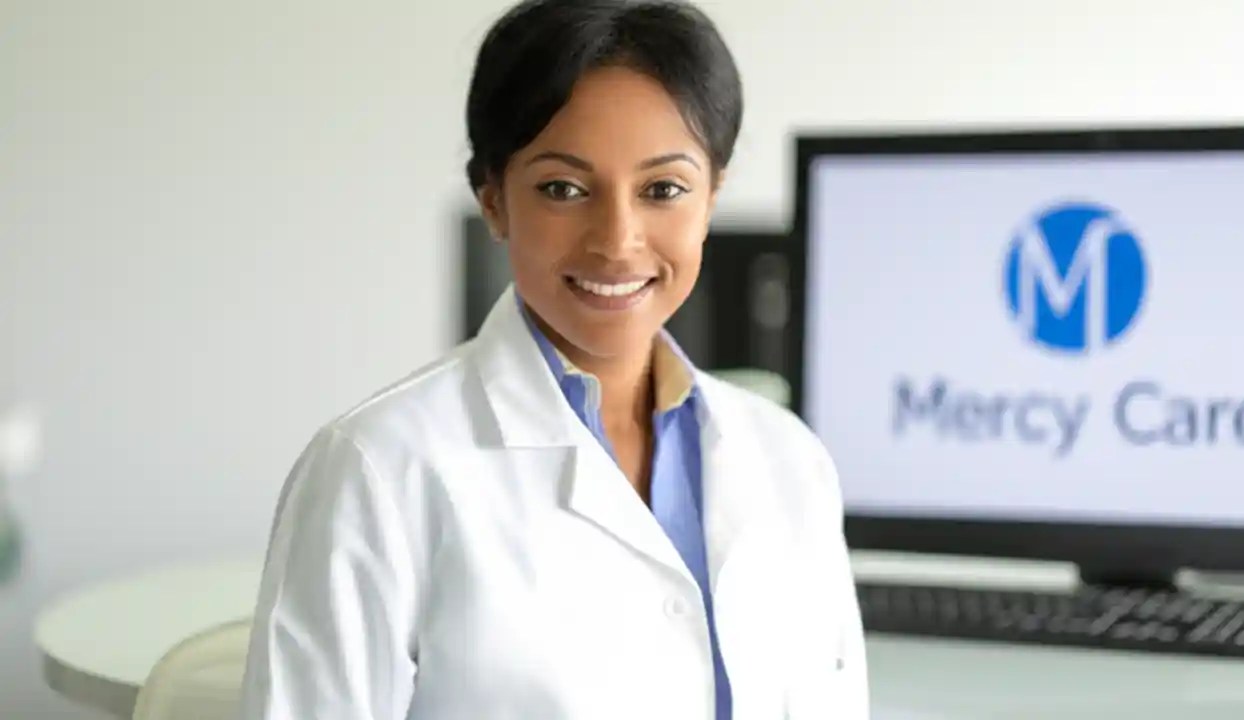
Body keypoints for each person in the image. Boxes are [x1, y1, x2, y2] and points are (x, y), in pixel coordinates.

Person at [237, 1, 868, 718]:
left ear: (711, 198)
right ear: (494, 201)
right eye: (563, 189)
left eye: (663, 189)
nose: (618, 240)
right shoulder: (377, 468)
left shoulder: (790, 461)